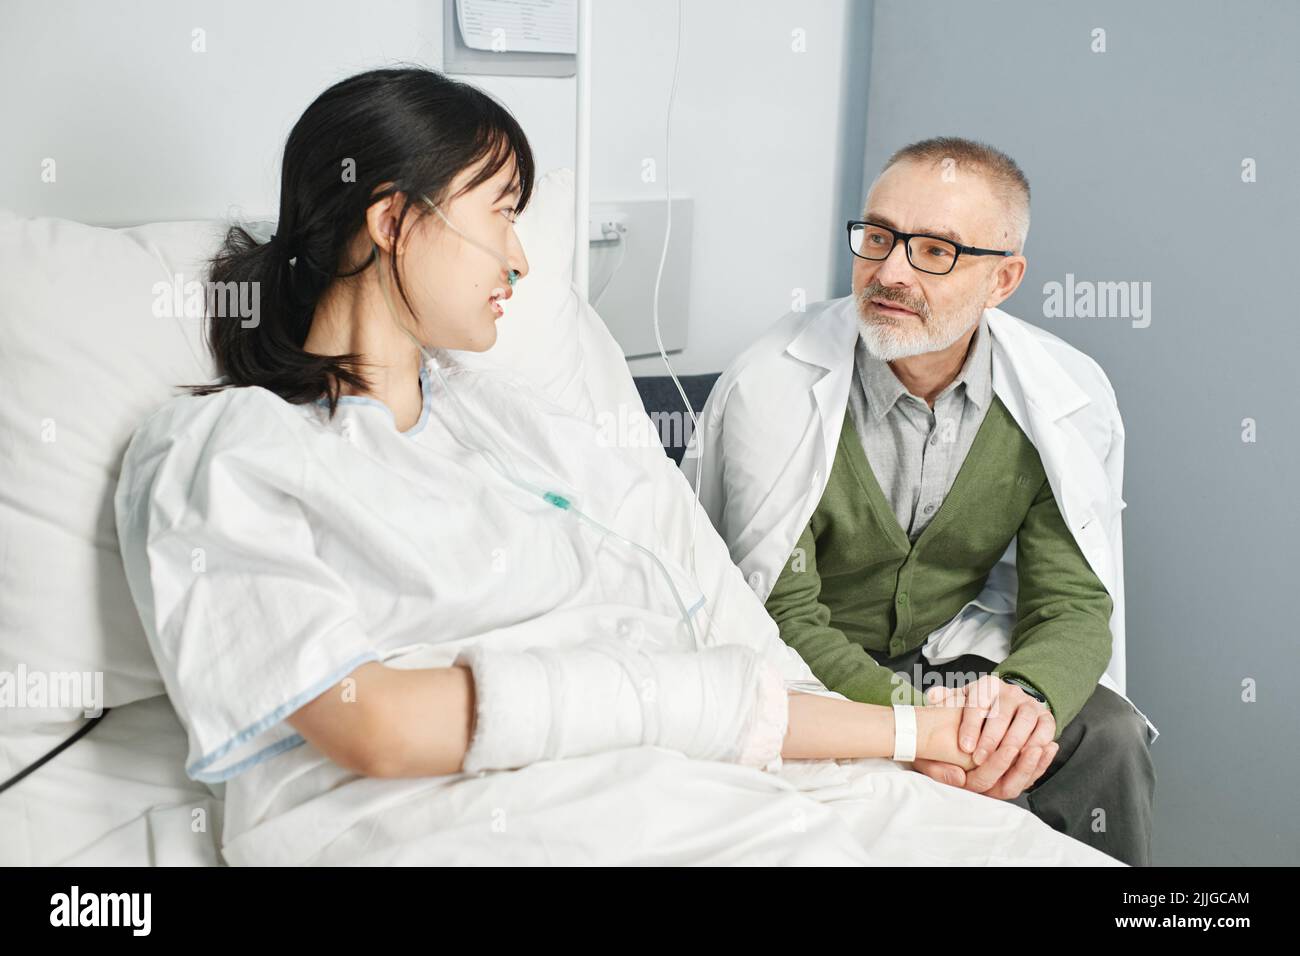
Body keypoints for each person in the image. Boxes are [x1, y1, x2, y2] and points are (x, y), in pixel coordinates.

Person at [114, 70, 1116, 865]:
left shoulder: (540, 437)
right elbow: (367, 724)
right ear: (391, 219)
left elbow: (742, 654)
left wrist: (914, 739)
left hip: (696, 775)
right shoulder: (227, 452)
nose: (520, 261)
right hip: (488, 810)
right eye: (500, 212)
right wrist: (717, 707)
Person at [687, 137, 1157, 866]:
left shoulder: (1062, 397)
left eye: (935, 250)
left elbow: (1072, 599)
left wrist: (1020, 701)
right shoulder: (771, 387)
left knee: (1111, 734)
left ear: (1004, 279)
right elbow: (783, 613)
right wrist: (916, 729)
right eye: (878, 237)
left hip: (961, 659)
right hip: (811, 674)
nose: (890, 272)